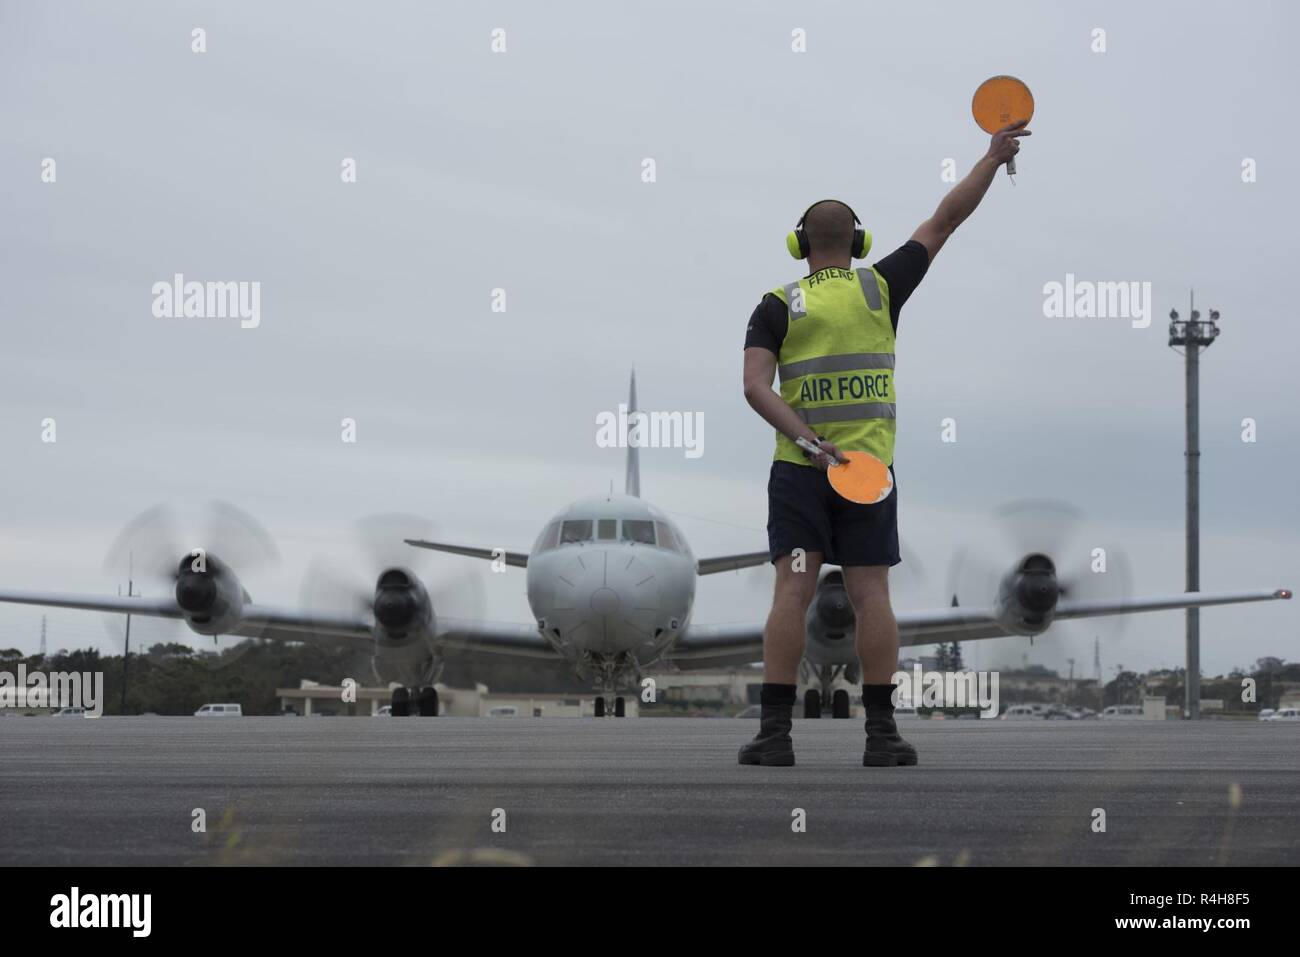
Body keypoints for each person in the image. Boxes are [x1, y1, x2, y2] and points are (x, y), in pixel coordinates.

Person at [738, 120, 1031, 767]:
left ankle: (774, 736)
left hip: (800, 469)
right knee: (872, 594)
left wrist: (809, 442)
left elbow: (755, 387)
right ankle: (881, 735)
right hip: (868, 473)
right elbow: (945, 219)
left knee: (791, 591)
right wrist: (991, 156)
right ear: (859, 240)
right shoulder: (882, 285)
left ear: (798, 244)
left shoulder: (775, 304)